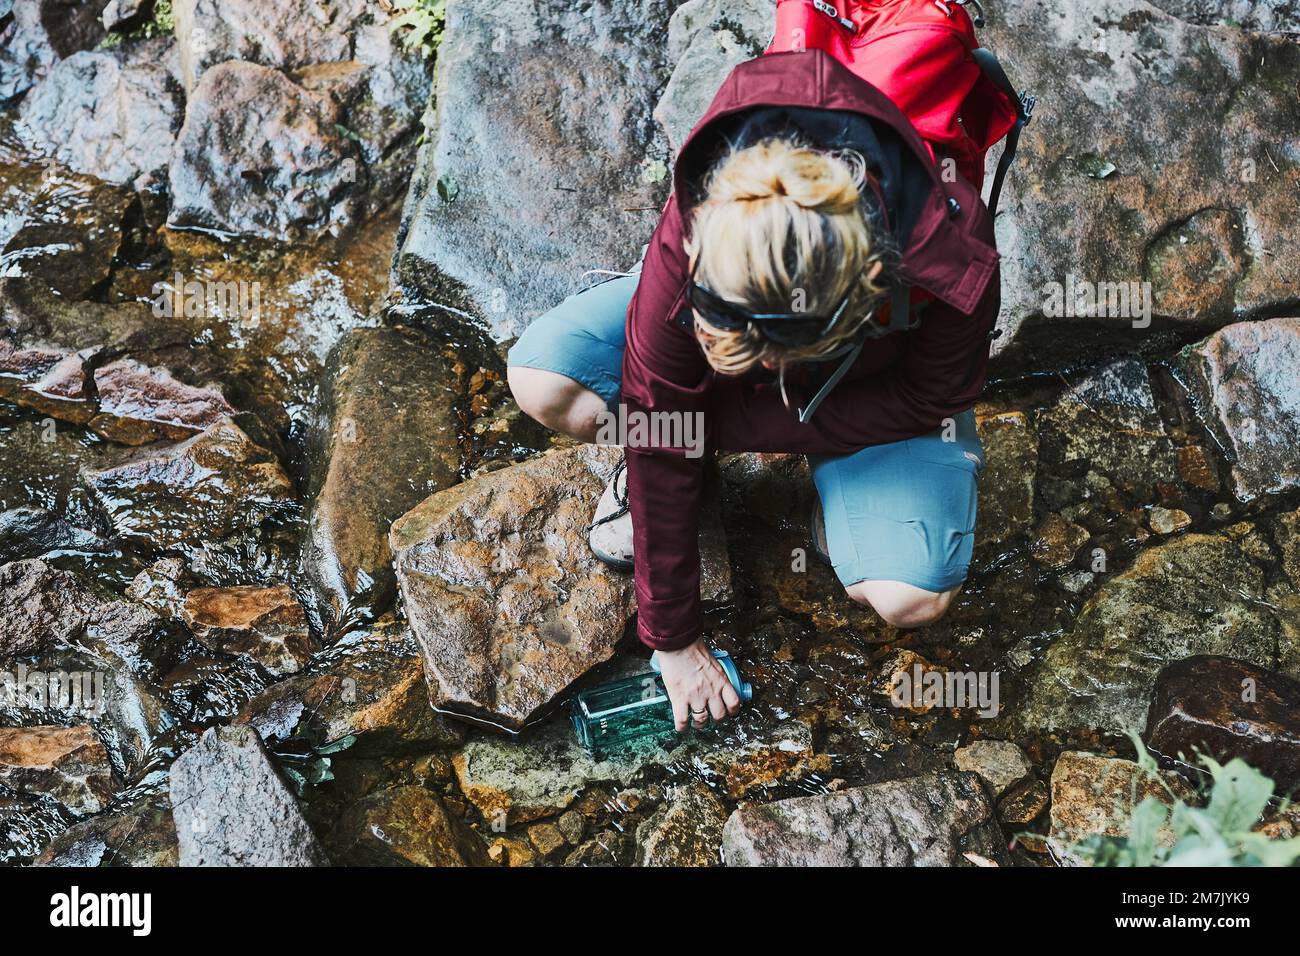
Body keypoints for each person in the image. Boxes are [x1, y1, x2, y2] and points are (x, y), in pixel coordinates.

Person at [507, 46, 1001, 734]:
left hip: (879, 396)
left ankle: (844, 500)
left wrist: (718, 426)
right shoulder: (702, 231)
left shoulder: (948, 254)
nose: (754, 368)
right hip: (802, 389)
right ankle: (760, 477)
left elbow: (930, 399)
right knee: (545, 381)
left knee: (907, 597)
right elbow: (656, 426)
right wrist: (672, 639)